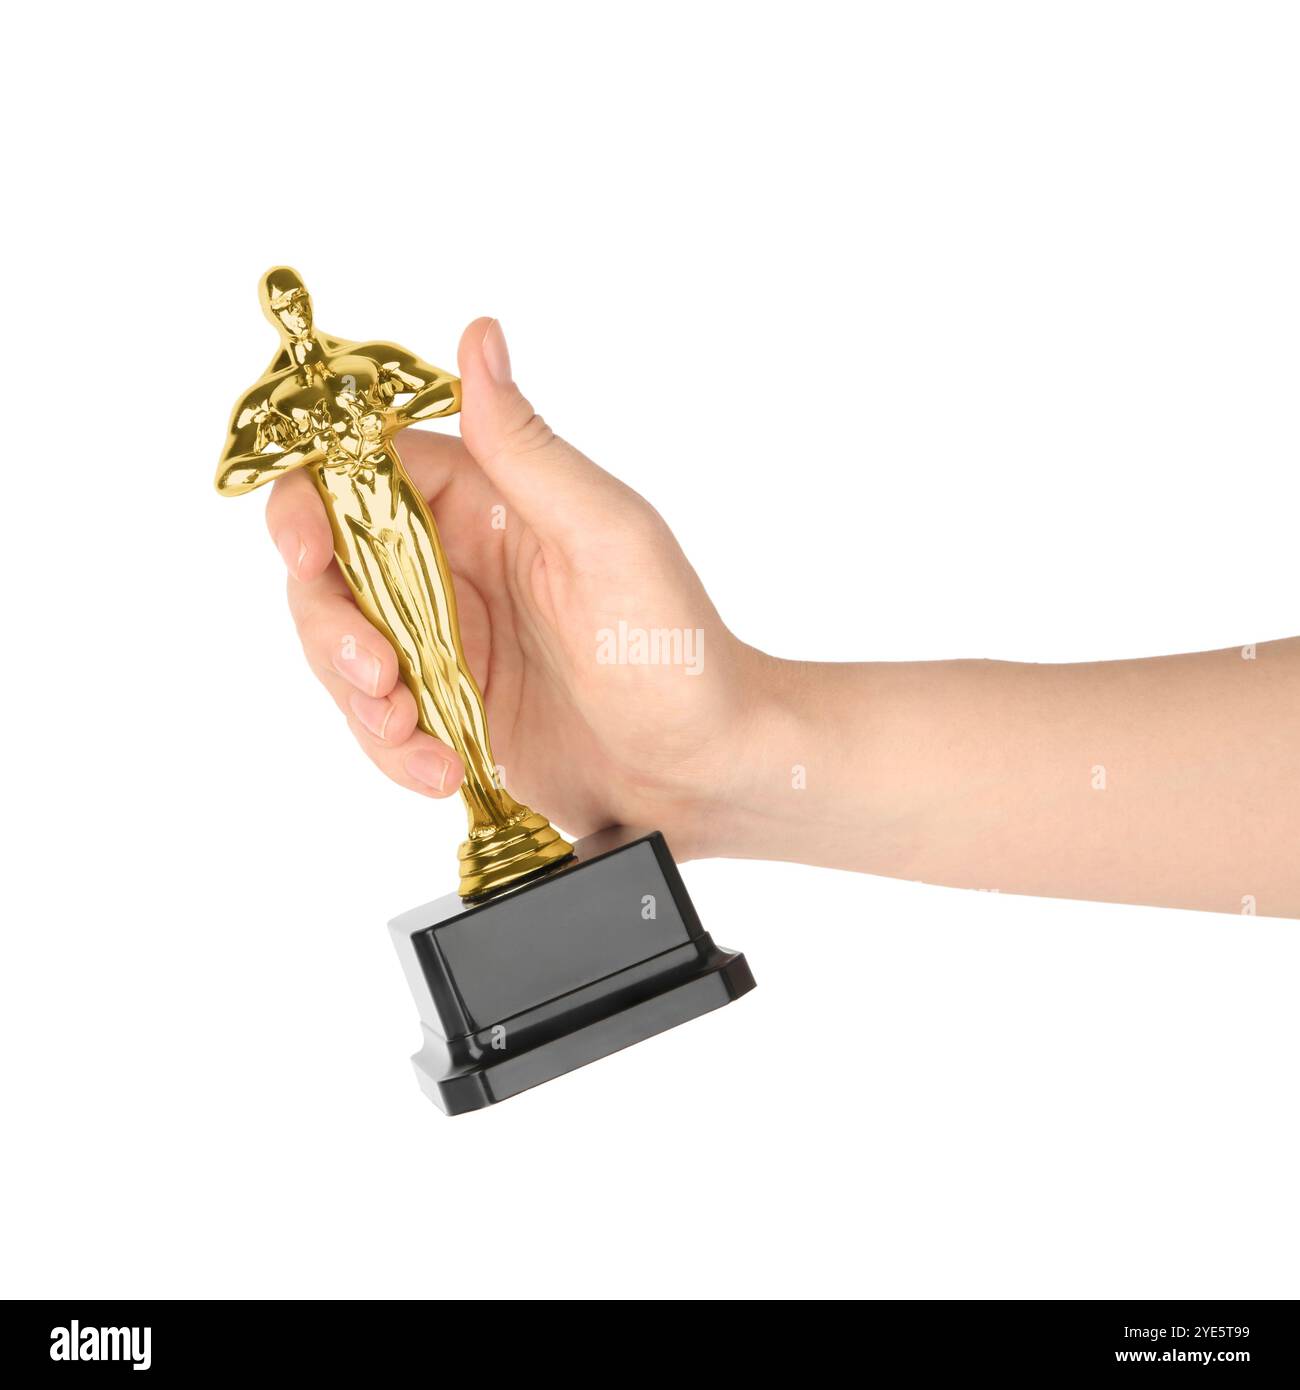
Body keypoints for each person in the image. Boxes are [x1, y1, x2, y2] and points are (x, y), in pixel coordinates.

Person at [263, 318, 1300, 919]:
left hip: (393, 518)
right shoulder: (315, 403)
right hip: (387, 536)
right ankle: (521, 788)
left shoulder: (362, 382)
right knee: (432, 658)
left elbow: (421, 384)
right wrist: (724, 755)